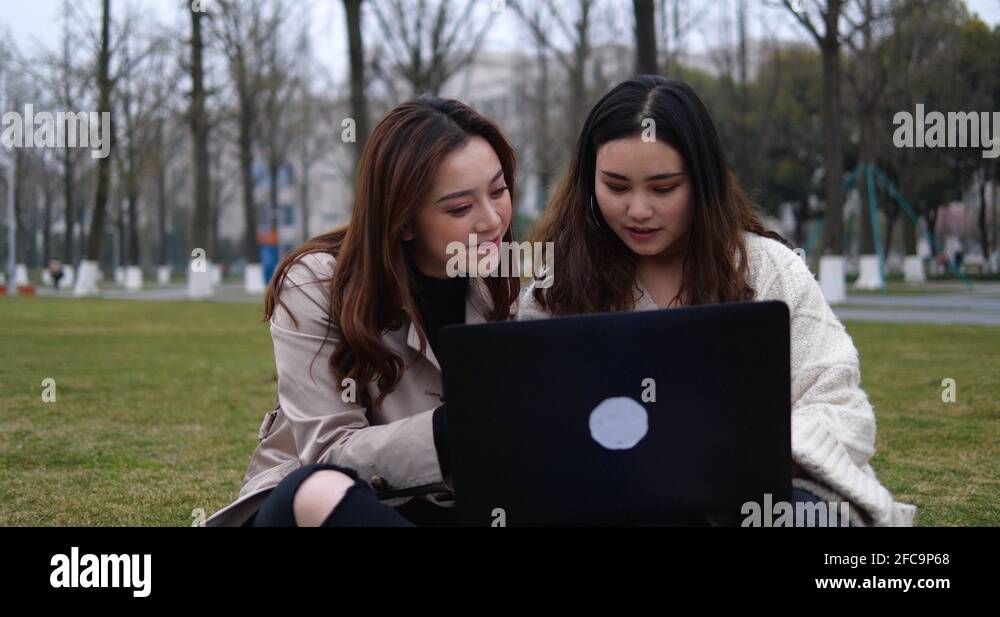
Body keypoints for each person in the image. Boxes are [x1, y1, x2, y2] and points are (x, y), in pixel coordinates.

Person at [519, 75, 916, 527]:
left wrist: (746, 457)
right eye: (616, 186)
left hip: (768, 503)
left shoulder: (770, 268)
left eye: (664, 187)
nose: (639, 210)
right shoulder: (556, 287)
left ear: (703, 181)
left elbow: (840, 406)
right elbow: (539, 428)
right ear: (588, 181)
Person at [204, 95, 519, 526]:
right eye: (460, 208)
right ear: (403, 220)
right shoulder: (317, 282)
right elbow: (329, 453)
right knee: (317, 489)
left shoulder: (512, 281)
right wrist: (455, 428)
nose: (492, 220)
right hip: (333, 511)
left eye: (499, 191)